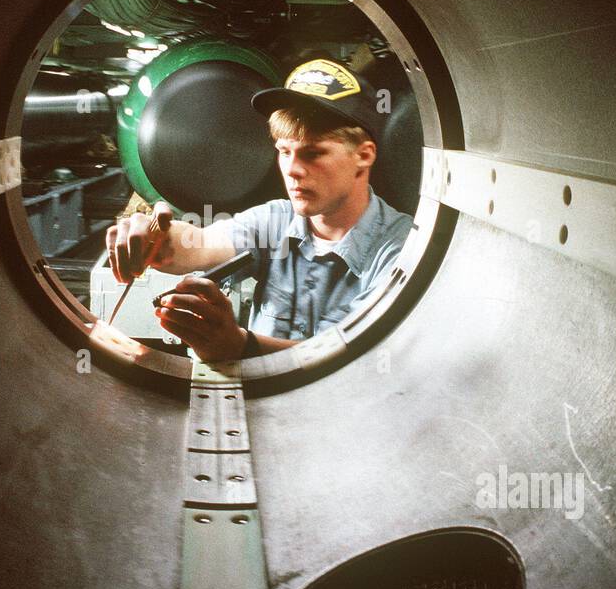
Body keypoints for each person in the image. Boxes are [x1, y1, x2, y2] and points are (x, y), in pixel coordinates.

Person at [105, 58, 413, 362]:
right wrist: (155, 240)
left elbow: (364, 359)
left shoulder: (401, 248)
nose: (292, 170)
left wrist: (243, 347)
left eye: (313, 153)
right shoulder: (276, 220)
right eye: (284, 151)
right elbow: (199, 244)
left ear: (364, 155)